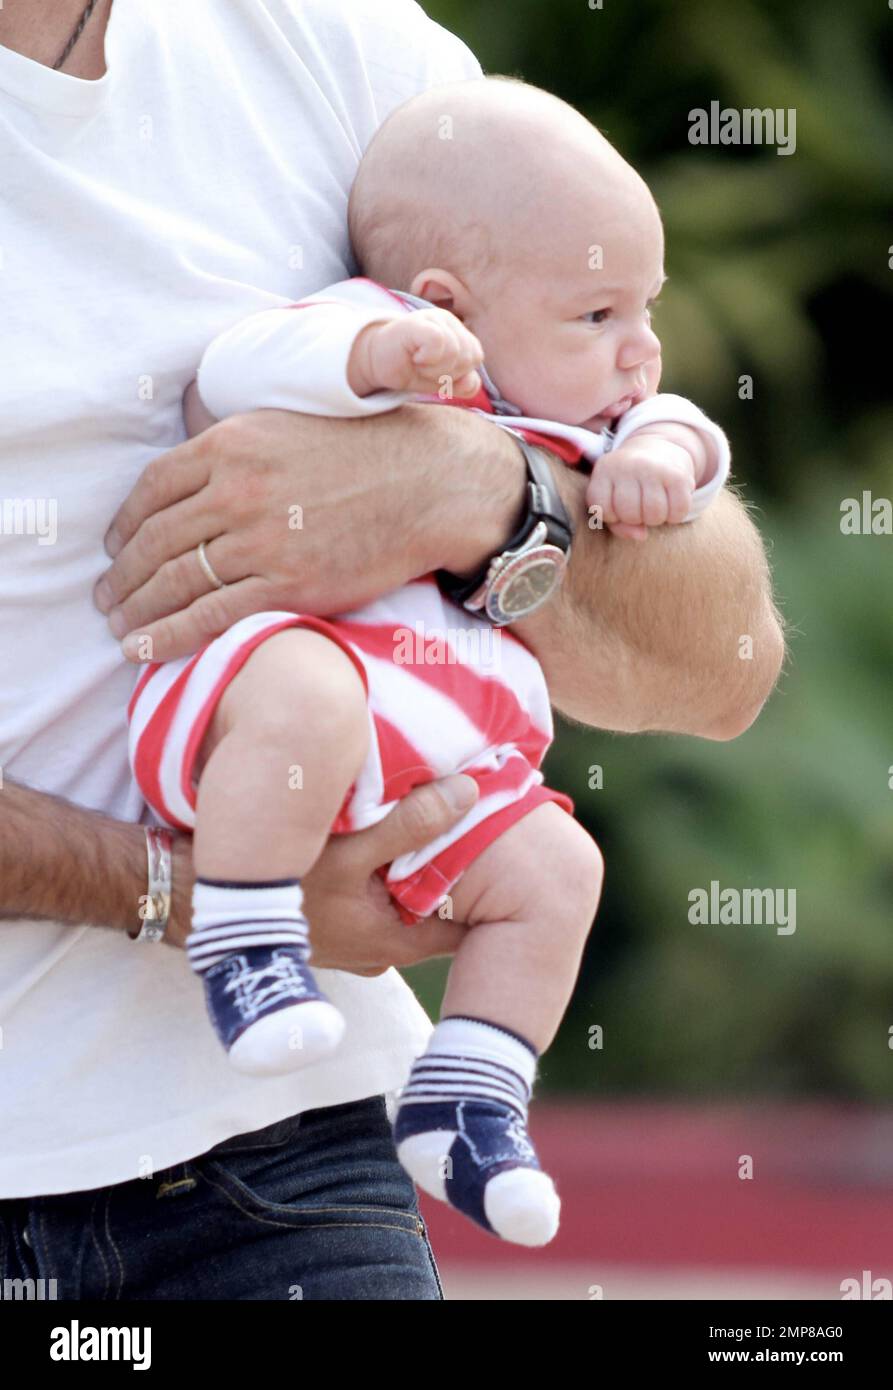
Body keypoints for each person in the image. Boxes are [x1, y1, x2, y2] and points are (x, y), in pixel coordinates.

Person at [0, 0, 784, 1299]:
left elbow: (724, 663)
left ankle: (473, 1099)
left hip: (287, 1162)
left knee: (554, 862)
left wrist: (472, 489)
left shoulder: (344, 53)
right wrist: (179, 898)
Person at [127, 75, 734, 1250]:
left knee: (559, 868)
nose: (640, 351)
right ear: (448, 304)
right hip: (271, 699)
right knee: (304, 701)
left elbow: (694, 442)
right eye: (599, 316)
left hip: (440, 778)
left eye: (647, 310)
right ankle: (247, 946)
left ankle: (471, 1093)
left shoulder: (582, 425)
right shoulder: (366, 333)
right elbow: (235, 372)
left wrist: (663, 448)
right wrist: (378, 357)